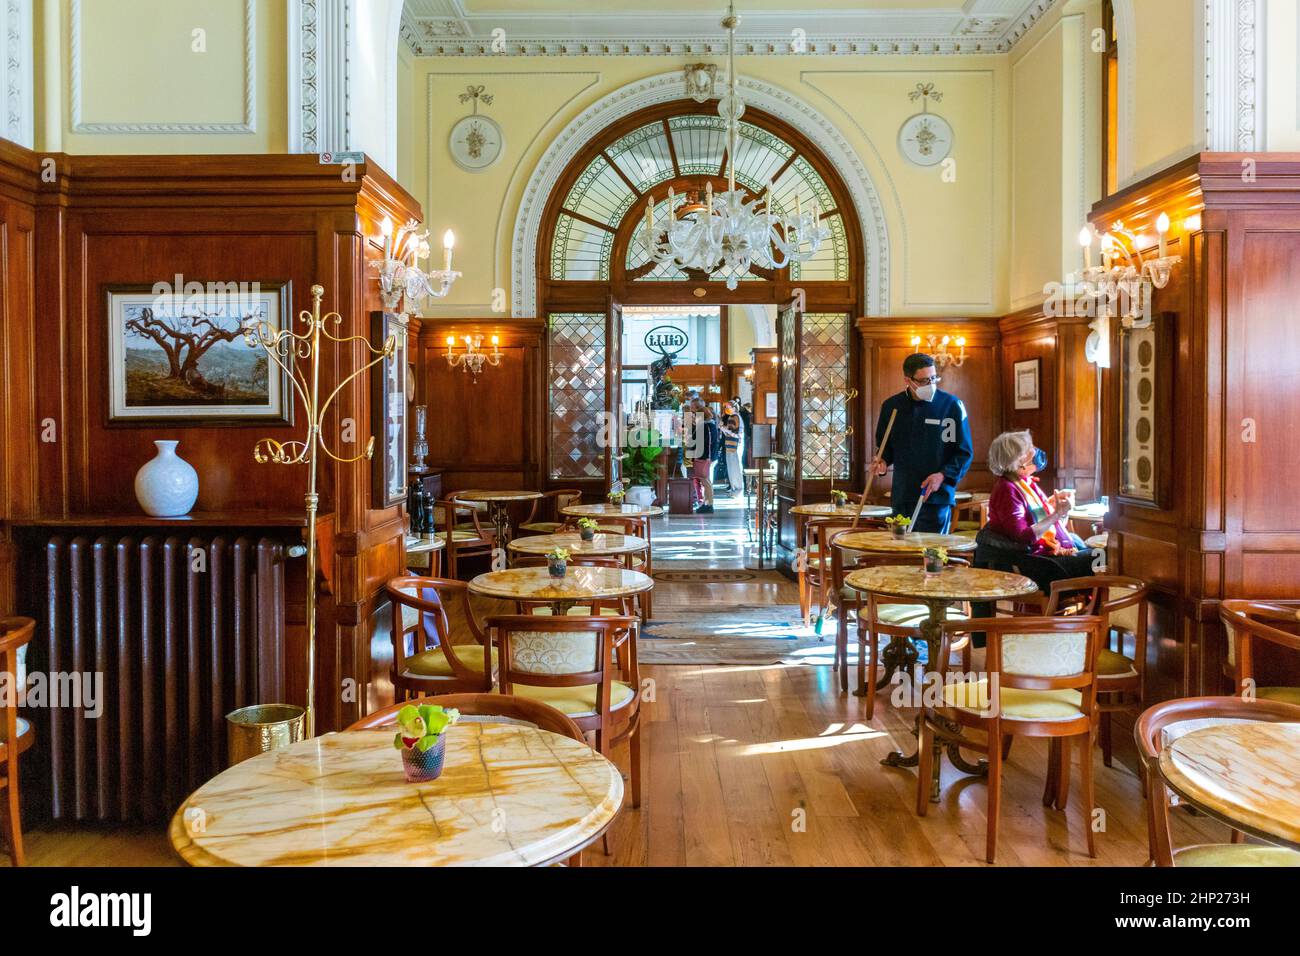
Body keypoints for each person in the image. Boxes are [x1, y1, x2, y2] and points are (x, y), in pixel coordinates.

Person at [976, 429, 1096, 589]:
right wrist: (1056, 514)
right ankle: (1097, 611)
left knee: (1092, 551)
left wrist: (1057, 510)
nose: (1034, 451)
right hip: (1032, 564)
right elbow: (1024, 537)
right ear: (1017, 461)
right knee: (1101, 557)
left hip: (1044, 555)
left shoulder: (1025, 482)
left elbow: (1052, 528)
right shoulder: (1007, 489)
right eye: (1028, 449)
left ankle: (1092, 608)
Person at [869, 353, 973, 533]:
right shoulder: (892, 406)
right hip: (903, 495)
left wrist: (943, 475)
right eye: (925, 380)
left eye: (934, 378)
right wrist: (882, 464)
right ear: (908, 380)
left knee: (930, 554)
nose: (931, 385)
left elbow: (964, 453)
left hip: (936, 496)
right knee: (902, 554)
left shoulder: (952, 406)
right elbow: (886, 450)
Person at [689, 399, 718, 514]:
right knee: (705, 481)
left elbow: (700, 442)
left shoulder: (705, 427)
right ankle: (707, 503)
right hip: (706, 456)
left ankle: (709, 504)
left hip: (704, 457)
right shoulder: (709, 425)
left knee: (705, 481)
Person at [719, 403, 744, 495]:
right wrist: (723, 429)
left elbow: (738, 434)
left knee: (736, 468)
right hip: (729, 445)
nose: (726, 408)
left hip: (735, 445)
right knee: (731, 468)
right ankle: (734, 489)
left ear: (734, 407)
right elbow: (729, 433)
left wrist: (725, 429)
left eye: (728, 407)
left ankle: (738, 490)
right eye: (725, 407)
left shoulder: (736, 417)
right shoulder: (730, 417)